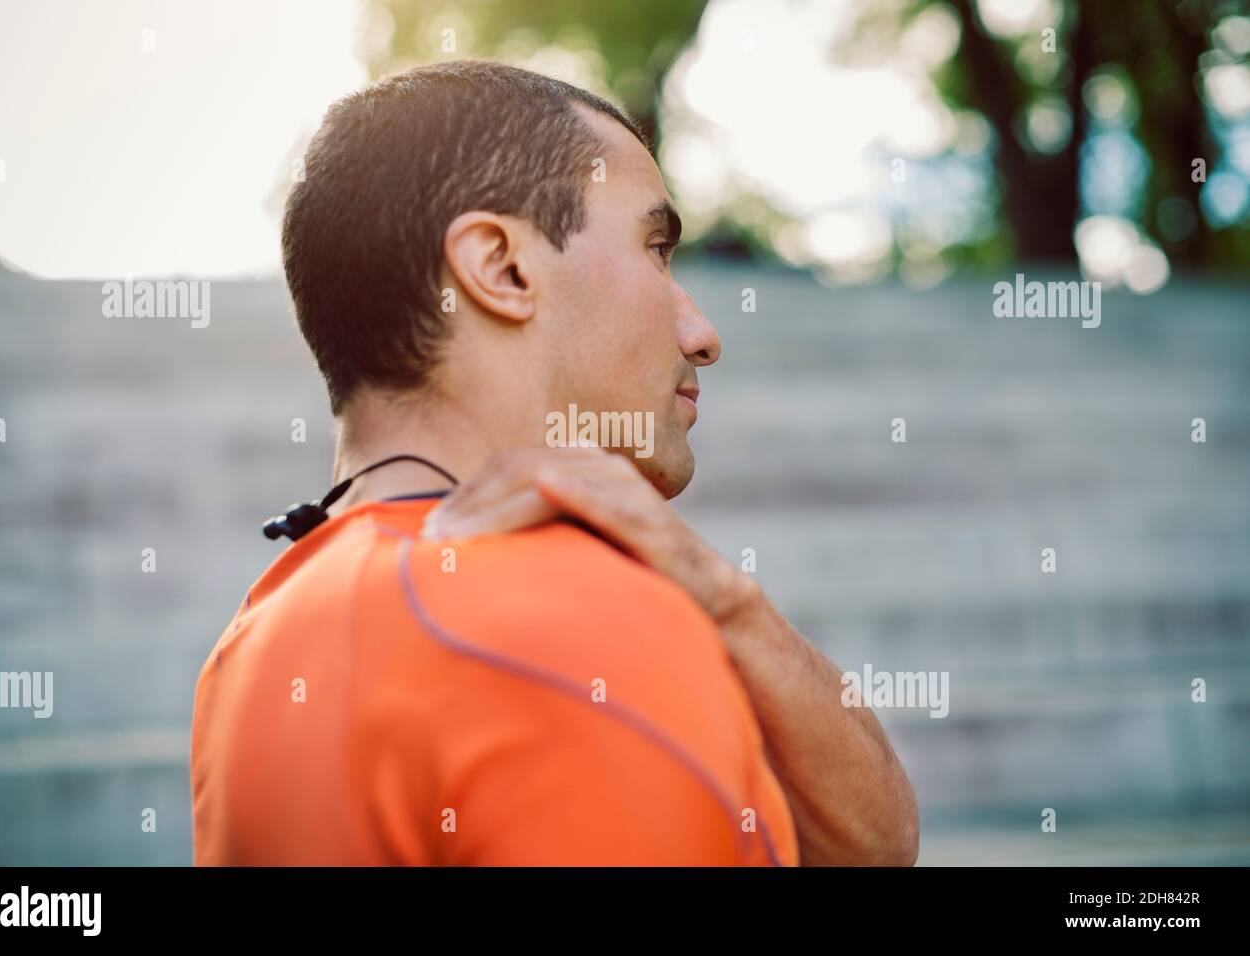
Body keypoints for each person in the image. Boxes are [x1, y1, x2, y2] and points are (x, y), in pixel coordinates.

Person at [190, 59, 917, 866]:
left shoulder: (254, 642)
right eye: (654, 248)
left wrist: (726, 601)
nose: (703, 333)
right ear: (501, 268)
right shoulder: (574, 626)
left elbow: (870, 847)